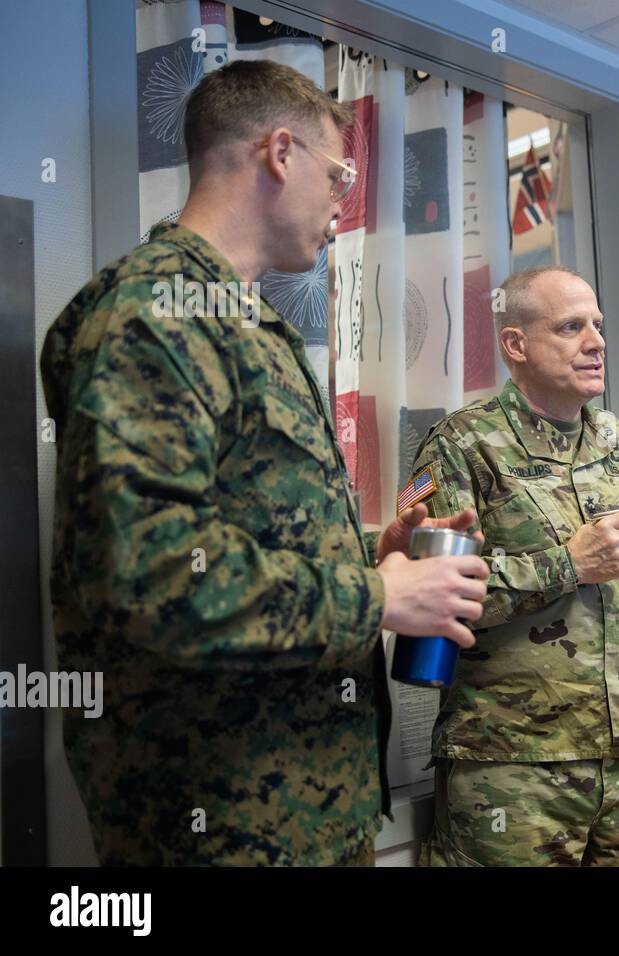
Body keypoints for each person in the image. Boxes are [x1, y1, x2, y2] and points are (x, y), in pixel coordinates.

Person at [40, 60, 489, 866]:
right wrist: (376, 594)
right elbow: (151, 576)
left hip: (303, 811)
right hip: (222, 826)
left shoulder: (241, 322)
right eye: (339, 172)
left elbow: (240, 530)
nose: (342, 200)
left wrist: (365, 555)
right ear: (281, 152)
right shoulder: (154, 316)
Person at [410, 265, 619, 866]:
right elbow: (434, 598)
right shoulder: (463, 445)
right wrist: (567, 563)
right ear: (516, 344)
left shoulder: (615, 442)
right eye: (571, 327)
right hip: (512, 769)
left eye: (597, 324)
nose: (596, 341)